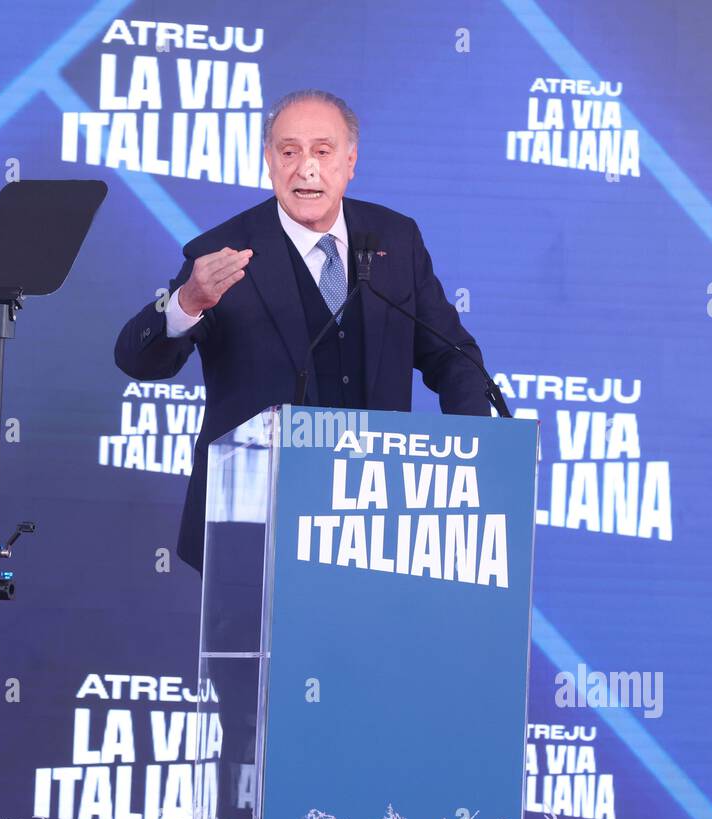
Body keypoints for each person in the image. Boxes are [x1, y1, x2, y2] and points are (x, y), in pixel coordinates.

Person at [115, 89, 492, 572]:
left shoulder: (396, 240)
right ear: (269, 162)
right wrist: (186, 302)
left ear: (350, 160)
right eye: (289, 152)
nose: (305, 168)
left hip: (374, 518)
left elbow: (451, 354)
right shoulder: (222, 252)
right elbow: (137, 359)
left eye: (322, 150)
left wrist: (476, 448)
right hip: (256, 519)